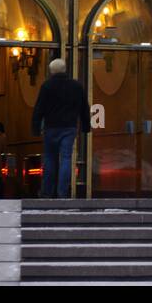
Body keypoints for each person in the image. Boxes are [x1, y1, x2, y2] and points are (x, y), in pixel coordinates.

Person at [31, 57, 90, 198]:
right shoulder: (76, 86)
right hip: (69, 128)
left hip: (51, 128)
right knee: (66, 159)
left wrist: (35, 127)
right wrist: (86, 126)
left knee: (50, 159)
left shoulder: (47, 86)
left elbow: (39, 108)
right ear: (65, 69)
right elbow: (84, 108)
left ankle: (47, 192)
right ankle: (63, 193)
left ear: (51, 71)